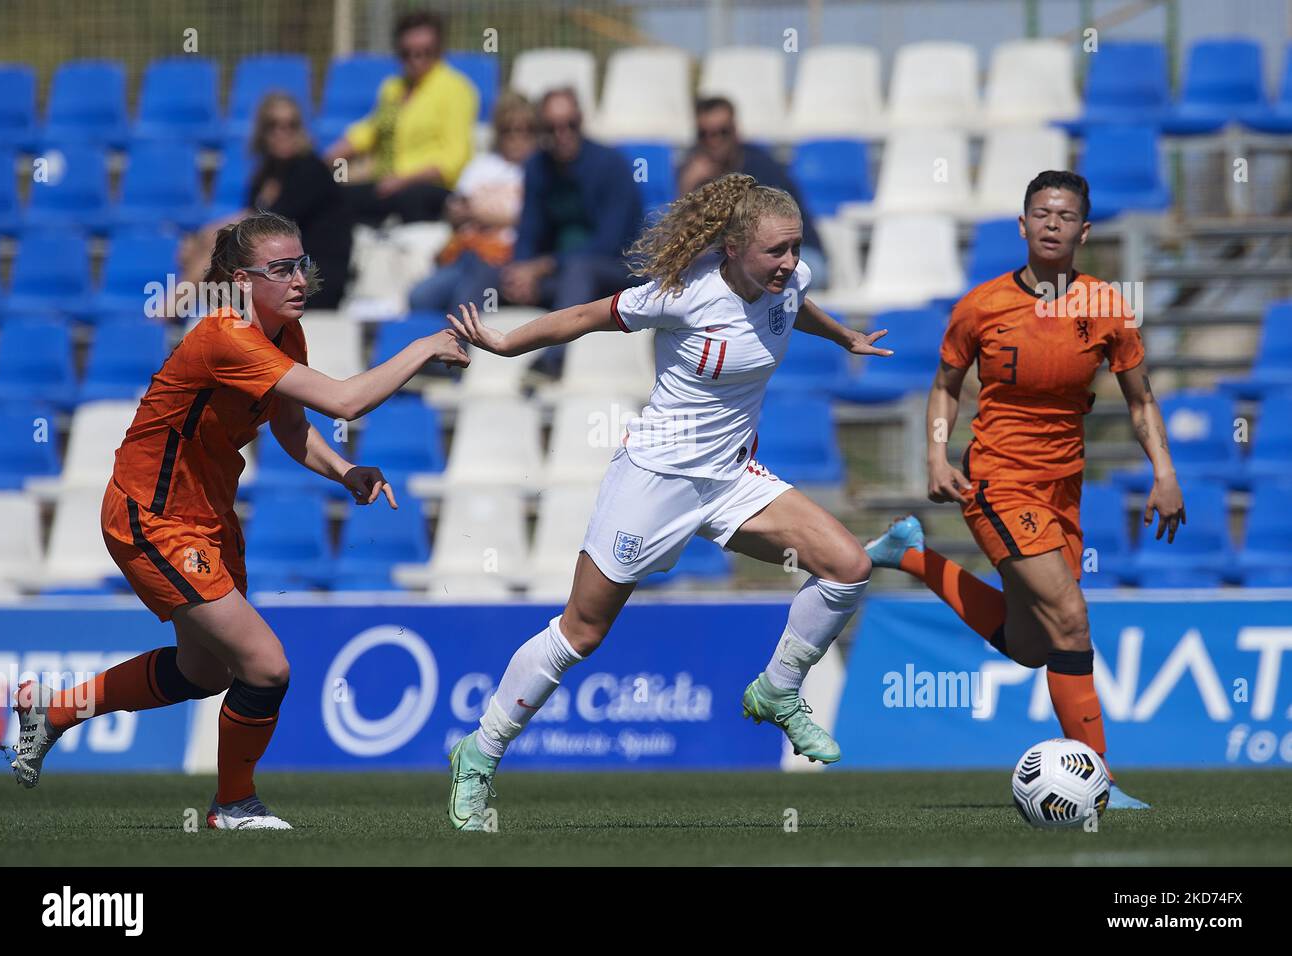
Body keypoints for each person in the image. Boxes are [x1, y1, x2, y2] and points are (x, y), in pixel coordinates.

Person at [441, 174, 893, 831]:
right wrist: (508, 345)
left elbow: (799, 306)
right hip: (654, 480)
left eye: (796, 249)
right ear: (734, 247)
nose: (791, 263)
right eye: (777, 251)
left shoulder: (787, 285)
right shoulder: (684, 293)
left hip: (731, 478)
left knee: (848, 566)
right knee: (581, 633)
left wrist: (845, 336)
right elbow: (583, 315)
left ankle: (777, 690)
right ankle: (478, 753)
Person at [11, 211, 468, 829]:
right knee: (266, 667)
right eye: (280, 269)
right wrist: (421, 346)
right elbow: (345, 400)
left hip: (208, 517)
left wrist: (344, 471)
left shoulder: (284, 330)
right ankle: (231, 805)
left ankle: (55, 711)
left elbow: (290, 425)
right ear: (239, 279)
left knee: (205, 673)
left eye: (300, 264)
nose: (298, 279)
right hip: (153, 514)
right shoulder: (227, 335)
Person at [863, 170, 1183, 810]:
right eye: (1041, 212)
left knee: (1031, 646)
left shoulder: (1106, 308)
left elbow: (1140, 397)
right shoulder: (980, 306)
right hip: (998, 481)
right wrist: (935, 452)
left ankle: (910, 555)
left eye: (1065, 215)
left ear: (1084, 231)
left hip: (1064, 489)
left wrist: (1166, 472)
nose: (1052, 223)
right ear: (1022, 224)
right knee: (1069, 620)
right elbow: (946, 386)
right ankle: (1102, 781)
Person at [181, 92, 353, 310]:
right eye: (274, 125)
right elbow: (252, 218)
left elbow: (265, 227)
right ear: (262, 131)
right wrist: (200, 239)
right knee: (198, 249)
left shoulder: (311, 171)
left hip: (309, 279)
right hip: (275, 271)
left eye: (292, 125)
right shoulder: (265, 175)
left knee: (215, 247)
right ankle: (183, 318)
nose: (283, 132)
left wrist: (207, 236)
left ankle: (168, 314)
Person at [324, 9, 477, 226]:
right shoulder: (393, 88)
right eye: (407, 53)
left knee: (408, 198)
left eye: (426, 52)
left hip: (429, 188)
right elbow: (368, 132)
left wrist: (403, 180)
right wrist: (324, 160)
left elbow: (453, 159)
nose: (416, 60)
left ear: (439, 50)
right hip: (387, 184)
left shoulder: (456, 89)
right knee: (330, 196)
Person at [500, 87, 643, 315]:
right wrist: (521, 272)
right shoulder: (537, 167)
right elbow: (528, 230)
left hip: (613, 274)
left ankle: (555, 351)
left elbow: (609, 244)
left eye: (570, 125)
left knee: (579, 270)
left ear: (580, 121)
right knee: (485, 272)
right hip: (556, 277)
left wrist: (544, 266)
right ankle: (455, 344)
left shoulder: (611, 165)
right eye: (551, 128)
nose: (562, 134)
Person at [406, 92, 537, 313]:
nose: (516, 138)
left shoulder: (537, 171)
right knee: (420, 297)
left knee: (464, 302)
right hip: (465, 253)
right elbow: (454, 209)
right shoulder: (481, 165)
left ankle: (460, 346)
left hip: (503, 260)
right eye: (508, 130)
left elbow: (532, 218)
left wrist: (481, 215)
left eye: (525, 130)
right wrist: (456, 212)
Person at [679, 96, 828, 289]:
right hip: (740, 259)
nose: (713, 141)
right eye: (704, 134)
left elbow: (767, 240)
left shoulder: (762, 168)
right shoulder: (691, 170)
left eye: (722, 132)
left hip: (798, 255)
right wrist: (687, 189)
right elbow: (681, 245)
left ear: (736, 132)